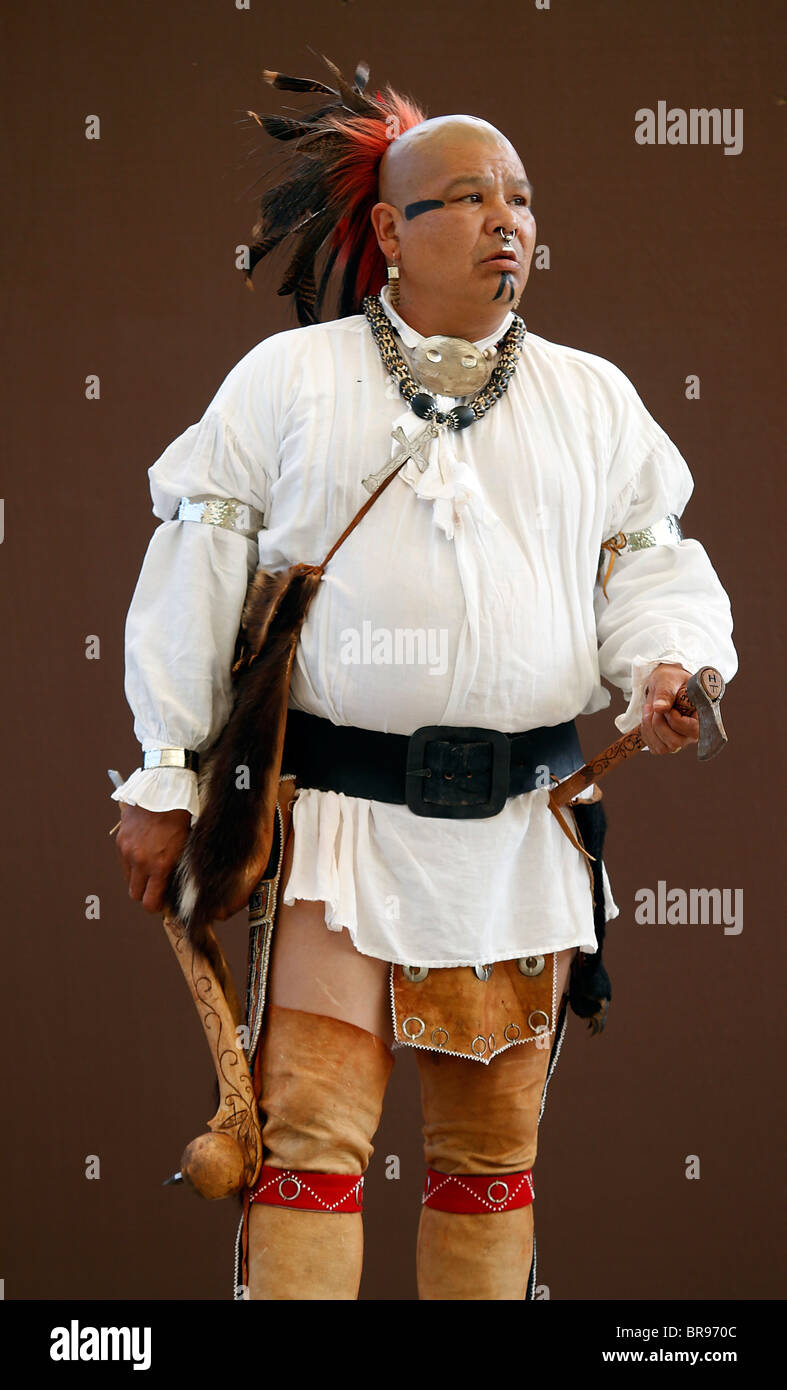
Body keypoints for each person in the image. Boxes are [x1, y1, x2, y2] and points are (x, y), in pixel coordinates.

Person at [113, 61, 737, 1300]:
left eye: (521, 197)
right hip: (339, 830)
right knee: (307, 1152)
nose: (508, 219)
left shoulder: (592, 399)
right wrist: (171, 770)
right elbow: (194, 571)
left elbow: (651, 563)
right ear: (392, 230)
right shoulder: (287, 385)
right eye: (467, 196)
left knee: (491, 1163)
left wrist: (670, 667)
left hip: (517, 836)